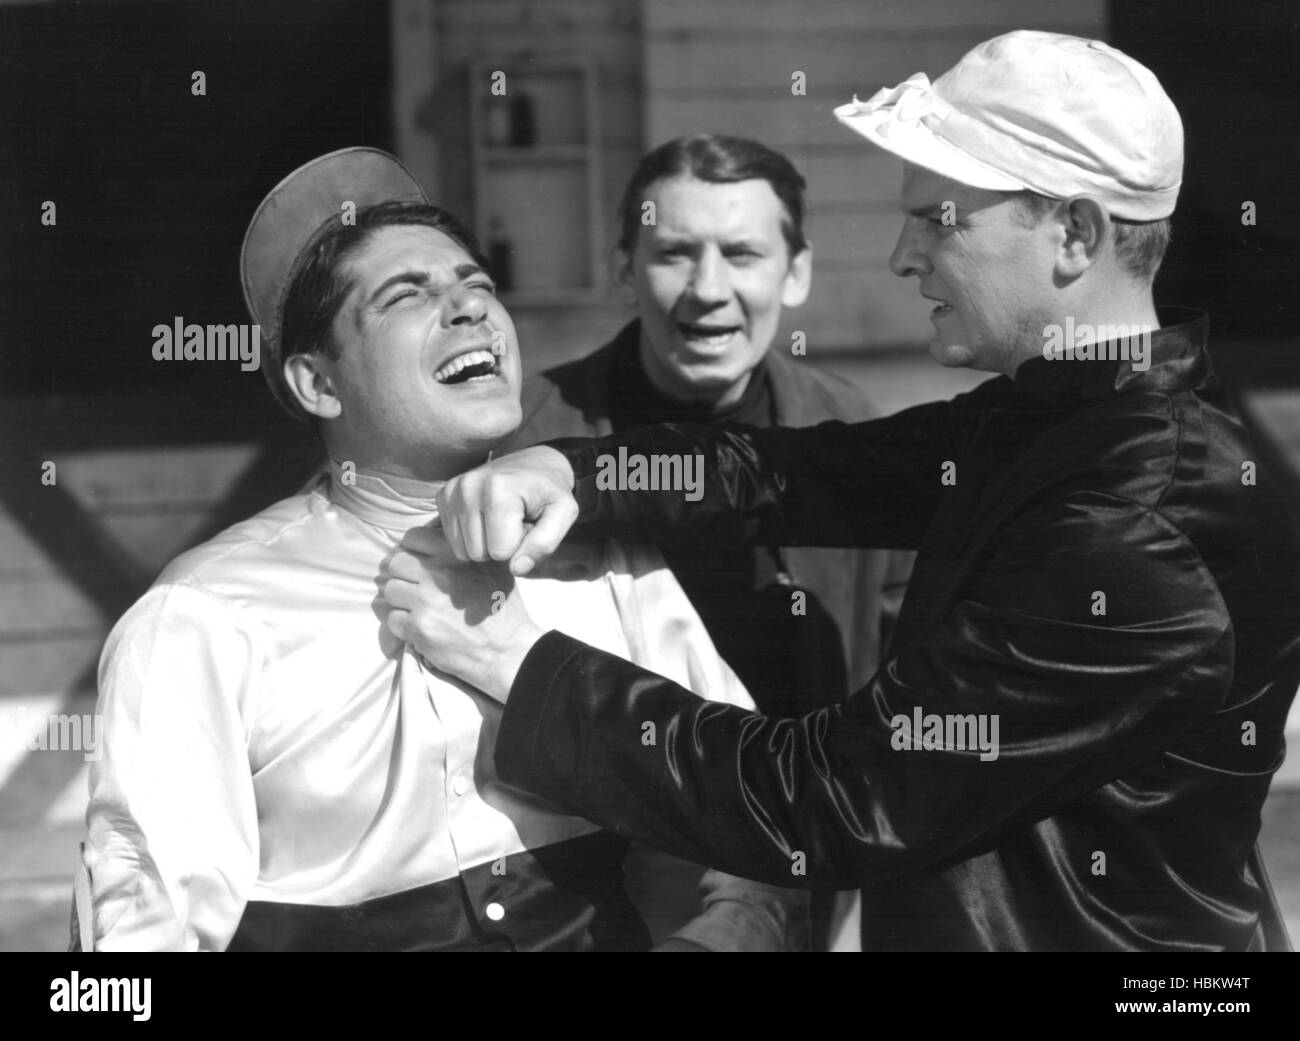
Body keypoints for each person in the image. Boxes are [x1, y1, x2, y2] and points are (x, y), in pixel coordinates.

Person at [382, 32, 1300, 951]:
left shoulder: (1137, 520)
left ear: (1075, 233)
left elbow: (832, 796)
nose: (903, 257)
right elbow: (789, 472)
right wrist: (572, 467)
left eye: (940, 218)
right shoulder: (1056, 421)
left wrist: (515, 661)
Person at [76, 147, 806, 952]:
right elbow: (139, 939)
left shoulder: (601, 556)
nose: (469, 310)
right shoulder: (205, 616)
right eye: (406, 295)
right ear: (318, 383)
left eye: (478, 286)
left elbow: (760, 815)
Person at [498, 133, 910, 949]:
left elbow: (899, 666)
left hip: (803, 863)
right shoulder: (526, 441)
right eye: (675, 254)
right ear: (624, 268)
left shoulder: (850, 429)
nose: (708, 290)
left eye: (743, 253)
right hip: (588, 879)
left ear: (795, 273)